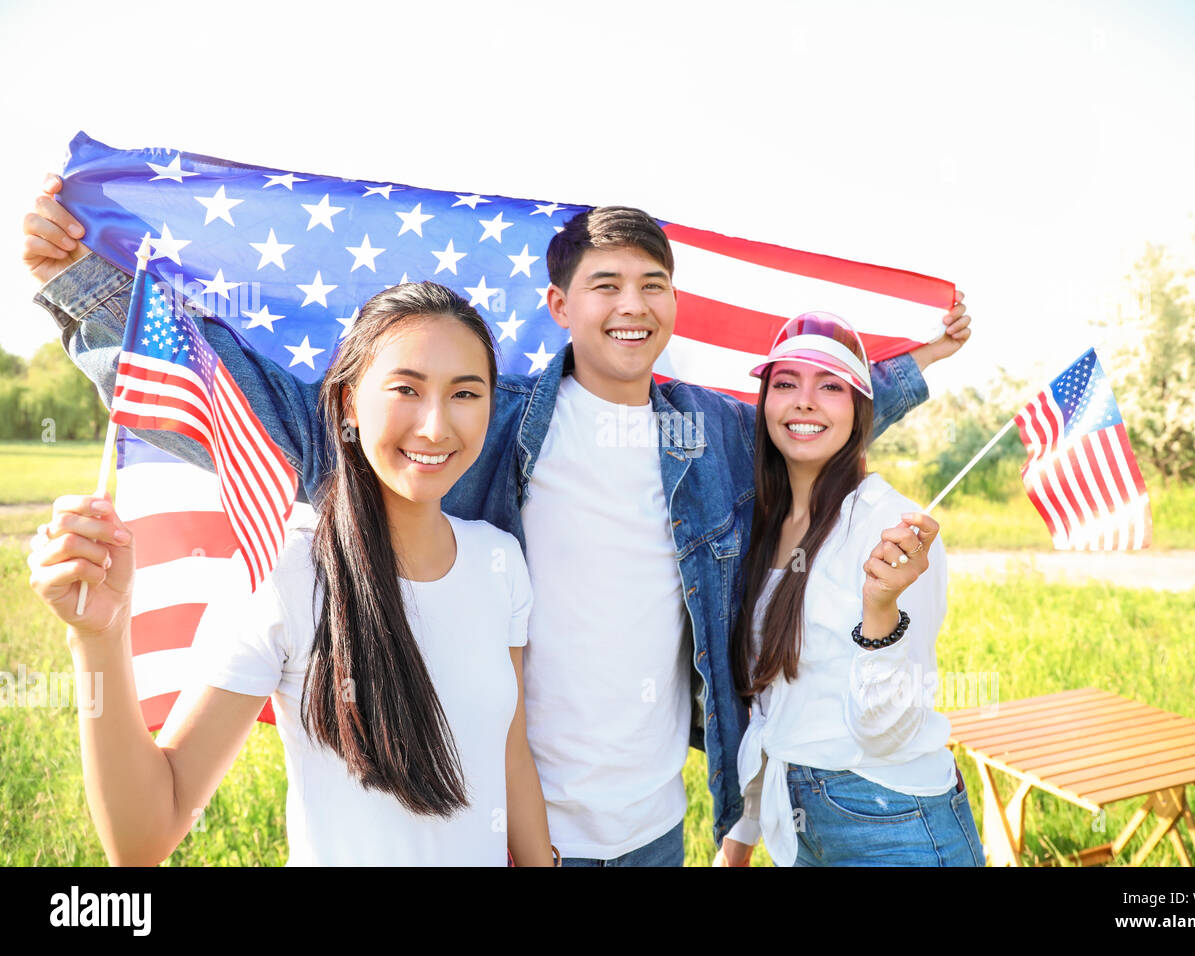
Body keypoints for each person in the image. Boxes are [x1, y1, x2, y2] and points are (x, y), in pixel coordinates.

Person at [25, 183, 971, 864]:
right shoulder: (496, 416)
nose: (631, 306)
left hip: (653, 825)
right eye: (605, 284)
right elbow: (270, 409)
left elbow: (807, 418)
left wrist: (912, 359)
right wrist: (88, 289)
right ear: (561, 306)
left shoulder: (711, 432)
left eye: (653, 285)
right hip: (518, 824)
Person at [27, 281, 554, 866]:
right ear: (349, 401)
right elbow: (143, 838)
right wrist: (97, 638)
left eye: (465, 393)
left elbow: (507, 754)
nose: (435, 426)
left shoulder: (501, 561)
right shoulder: (285, 572)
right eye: (406, 388)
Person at [714, 312, 983, 866]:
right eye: (785, 383)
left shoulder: (892, 528)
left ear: (862, 409)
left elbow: (887, 731)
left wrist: (881, 611)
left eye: (830, 386)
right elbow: (773, 704)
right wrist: (738, 844)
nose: (805, 401)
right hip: (801, 821)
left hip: (894, 819)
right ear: (765, 403)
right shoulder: (764, 523)